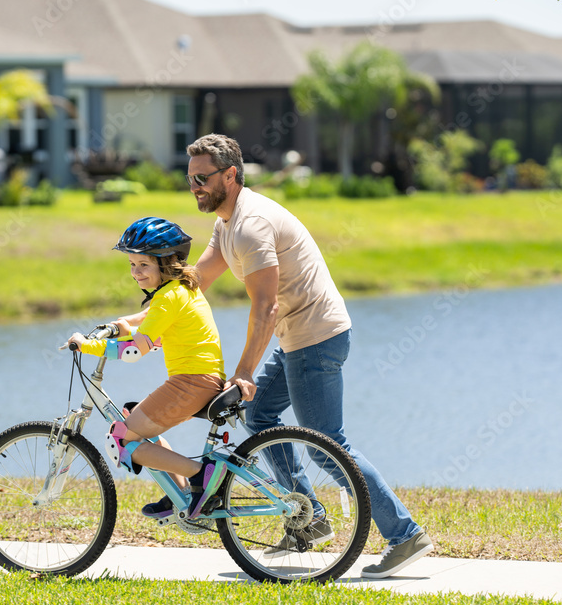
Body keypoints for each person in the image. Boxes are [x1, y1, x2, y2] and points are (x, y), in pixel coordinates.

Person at [183, 133, 432, 578]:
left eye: (203, 178)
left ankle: (404, 534)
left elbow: (266, 306)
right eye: (190, 180)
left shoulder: (251, 223)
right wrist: (142, 315)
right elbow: (196, 280)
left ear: (231, 175)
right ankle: (309, 518)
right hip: (301, 338)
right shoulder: (227, 224)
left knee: (328, 446)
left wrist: (243, 371)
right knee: (259, 416)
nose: (196, 187)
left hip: (314, 338)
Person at [67, 216, 227, 520]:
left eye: (143, 265)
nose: (135, 273)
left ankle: (201, 475)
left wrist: (85, 344)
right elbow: (147, 323)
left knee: (121, 440)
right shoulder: (180, 289)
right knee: (132, 416)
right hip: (200, 380)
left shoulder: (168, 298)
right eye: (131, 265)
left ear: (165, 264)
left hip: (191, 383)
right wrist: (120, 325)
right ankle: (178, 492)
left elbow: (132, 351)